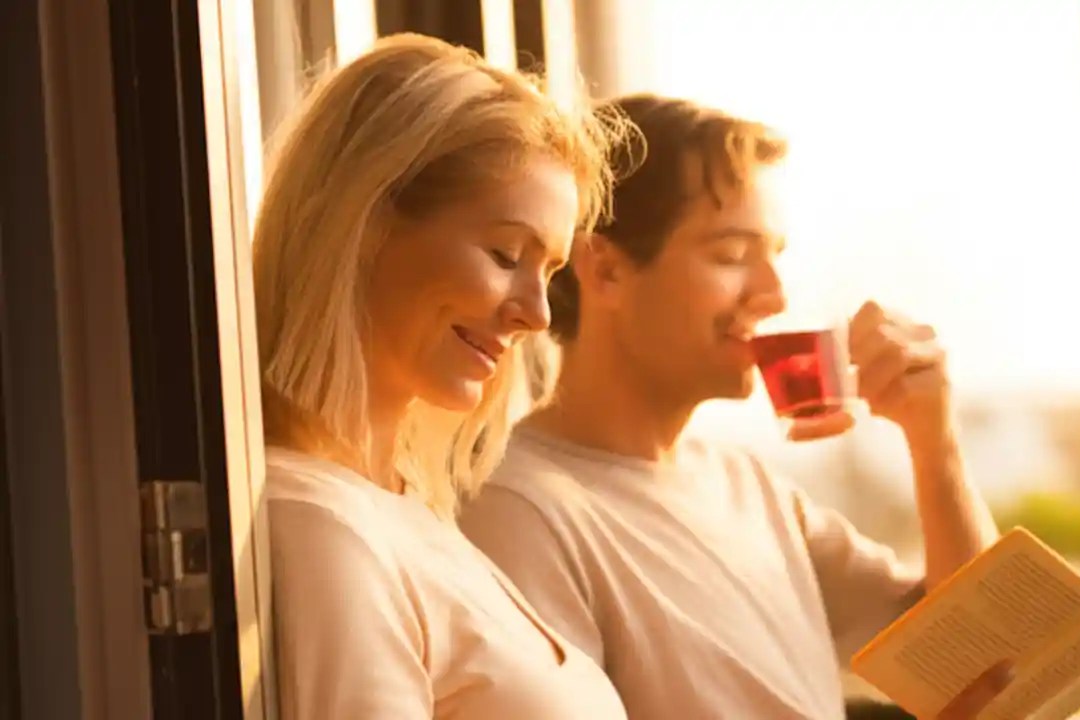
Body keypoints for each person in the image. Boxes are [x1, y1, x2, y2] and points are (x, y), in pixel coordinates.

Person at [459, 94, 1003, 719]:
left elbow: (983, 668)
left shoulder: (751, 490)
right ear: (604, 270)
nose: (773, 295)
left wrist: (935, 445)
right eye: (732, 256)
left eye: (774, 256)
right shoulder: (515, 512)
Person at [252, 33, 630, 719]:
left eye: (546, 272)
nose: (536, 315)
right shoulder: (320, 526)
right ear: (364, 220)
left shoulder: (403, 512)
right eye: (504, 253)